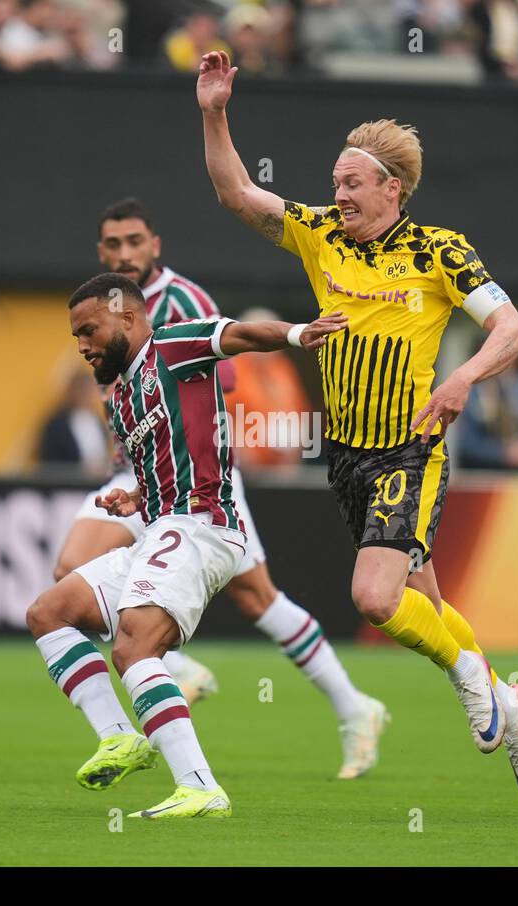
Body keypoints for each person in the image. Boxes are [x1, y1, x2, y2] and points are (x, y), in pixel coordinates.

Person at [196, 50, 518, 794]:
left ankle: (475, 684)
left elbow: (512, 330)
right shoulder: (320, 234)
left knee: (376, 599)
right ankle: (508, 698)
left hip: (409, 450)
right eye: (335, 185)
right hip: (347, 455)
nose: (338, 196)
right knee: (430, 608)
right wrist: (214, 111)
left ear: (393, 188)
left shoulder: (438, 250)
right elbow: (236, 193)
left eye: (351, 184)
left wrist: (462, 377)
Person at [54, 198, 390, 780]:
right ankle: (166, 665)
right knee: (69, 572)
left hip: (194, 478)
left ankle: (353, 705)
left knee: (257, 597)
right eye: (114, 244)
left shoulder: (182, 303)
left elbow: (224, 369)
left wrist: (189, 446)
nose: (125, 253)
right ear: (102, 252)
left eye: (135, 241)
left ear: (155, 245)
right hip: (137, 474)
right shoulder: (100, 308)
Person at [24, 273, 346, 819]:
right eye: (76, 335)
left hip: (204, 525)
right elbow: (163, 473)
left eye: (89, 330)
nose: (81, 345)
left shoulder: (174, 347)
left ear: (126, 316)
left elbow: (241, 335)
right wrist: (135, 497)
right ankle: (119, 737)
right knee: (49, 612)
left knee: (132, 648)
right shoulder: (122, 398)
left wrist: (296, 335)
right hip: (163, 527)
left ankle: (200, 786)